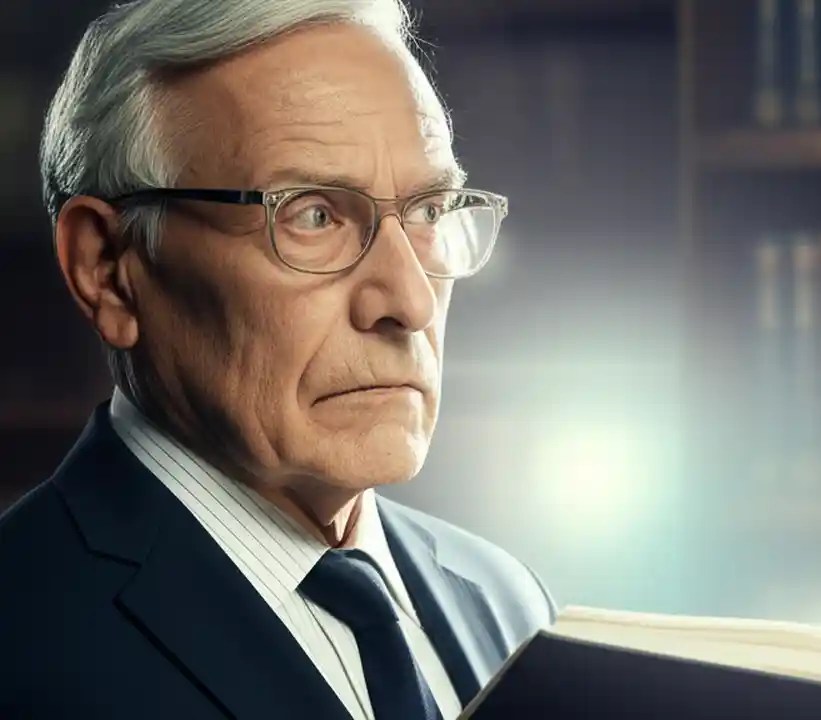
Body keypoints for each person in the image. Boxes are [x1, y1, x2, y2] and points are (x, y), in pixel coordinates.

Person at [0, 1, 556, 717]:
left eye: (428, 210)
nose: (410, 302)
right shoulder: (21, 641)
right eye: (313, 215)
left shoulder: (508, 601)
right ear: (107, 268)